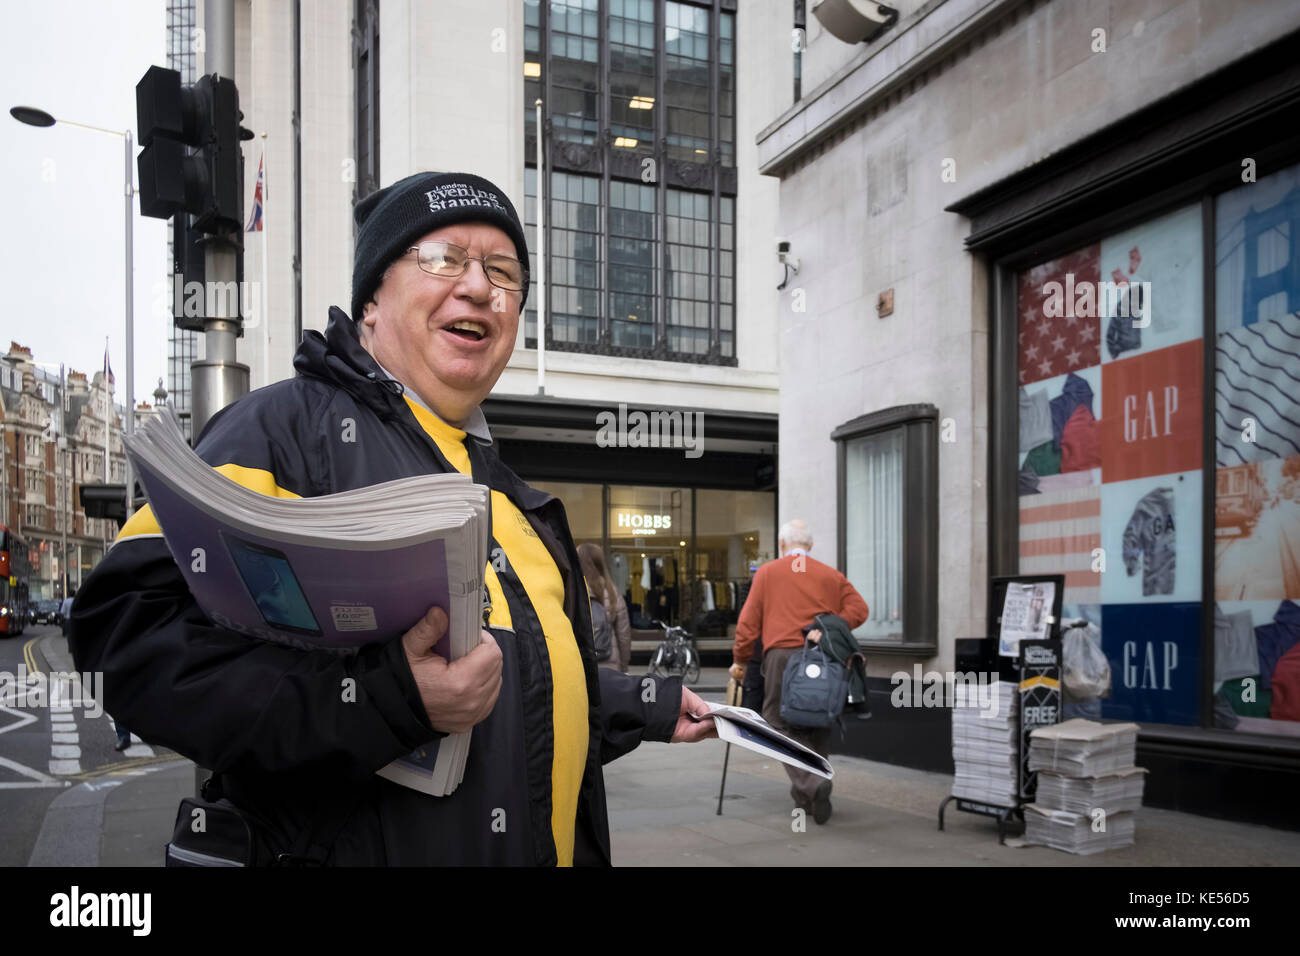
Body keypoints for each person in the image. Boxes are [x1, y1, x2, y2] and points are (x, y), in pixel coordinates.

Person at [69, 171, 714, 866]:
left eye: (503, 272)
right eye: (443, 258)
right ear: (371, 301)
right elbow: (123, 636)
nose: (479, 287)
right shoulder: (283, 432)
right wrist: (384, 700)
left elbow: (524, 682)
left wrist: (644, 702)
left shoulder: (515, 499)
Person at [728, 519, 868, 824]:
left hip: (783, 657)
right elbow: (860, 609)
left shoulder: (768, 573)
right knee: (817, 721)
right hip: (824, 656)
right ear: (811, 545)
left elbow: (748, 623)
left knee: (776, 722)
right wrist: (828, 627)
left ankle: (812, 783)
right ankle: (807, 798)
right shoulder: (830, 575)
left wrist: (740, 659)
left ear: (782, 545)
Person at [578, 543, 632, 673]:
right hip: (610, 666)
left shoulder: (572, 592)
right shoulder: (612, 592)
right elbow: (623, 636)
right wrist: (623, 666)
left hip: (579, 666)